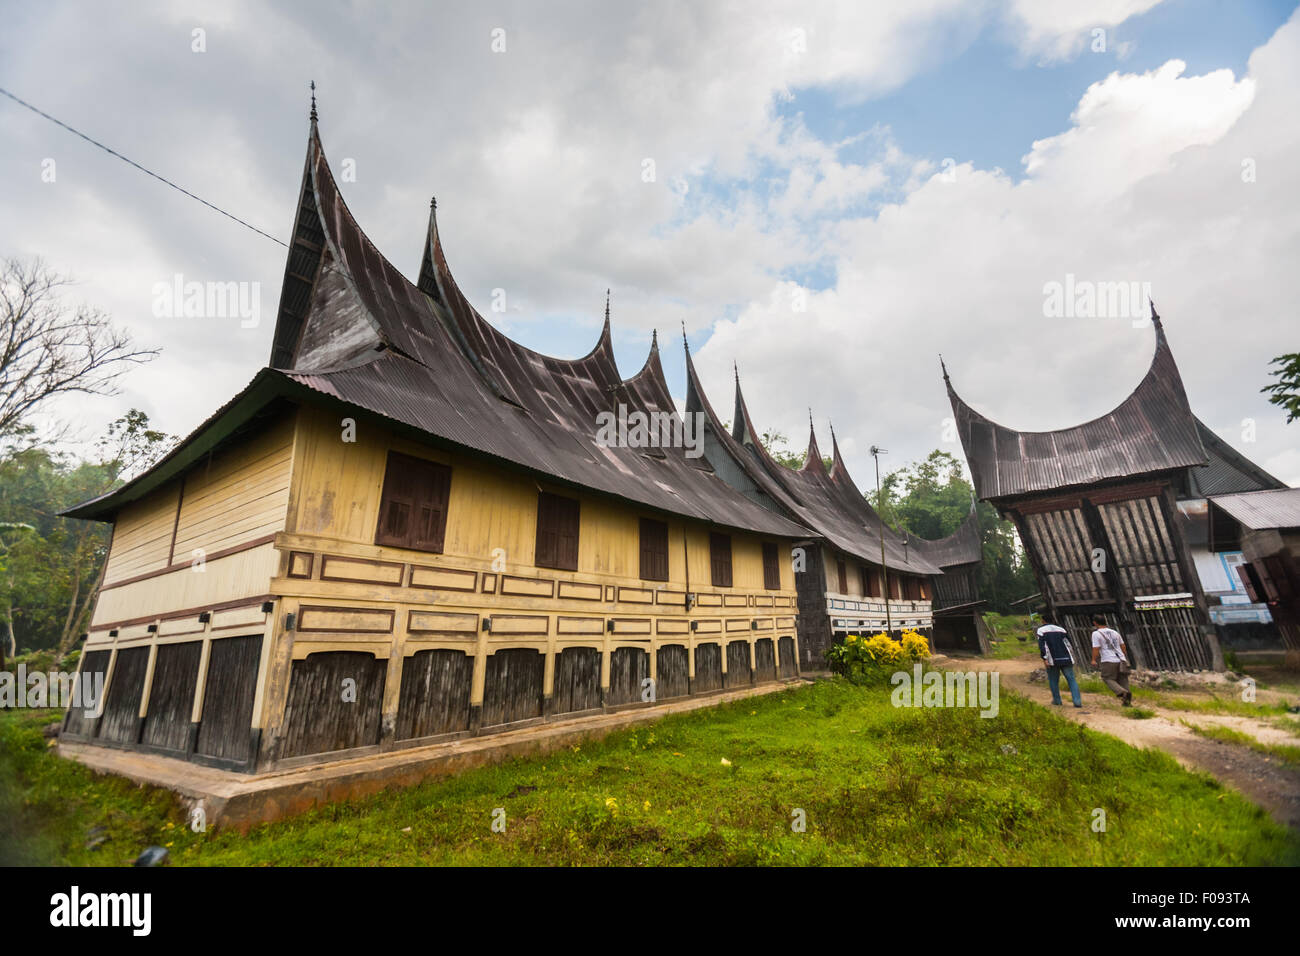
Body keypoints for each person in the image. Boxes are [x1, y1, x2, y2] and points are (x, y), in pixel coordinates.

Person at [1036, 616, 1082, 707]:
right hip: (1066, 658)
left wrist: (1045, 658)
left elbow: (1042, 646)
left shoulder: (1041, 630)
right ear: (1053, 620)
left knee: (1053, 680)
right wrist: (1072, 657)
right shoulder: (1061, 630)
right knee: (1071, 679)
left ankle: (1057, 700)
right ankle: (1077, 702)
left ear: (1043, 620)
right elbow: (1068, 644)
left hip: (1052, 659)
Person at [1090, 615, 1133, 706]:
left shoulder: (1096, 634)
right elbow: (1123, 646)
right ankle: (1127, 702)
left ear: (1095, 623)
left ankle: (1122, 692)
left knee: (1107, 678)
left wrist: (1094, 659)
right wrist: (1123, 656)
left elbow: (1096, 648)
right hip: (1121, 659)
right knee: (1123, 680)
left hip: (1108, 660)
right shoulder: (1115, 632)